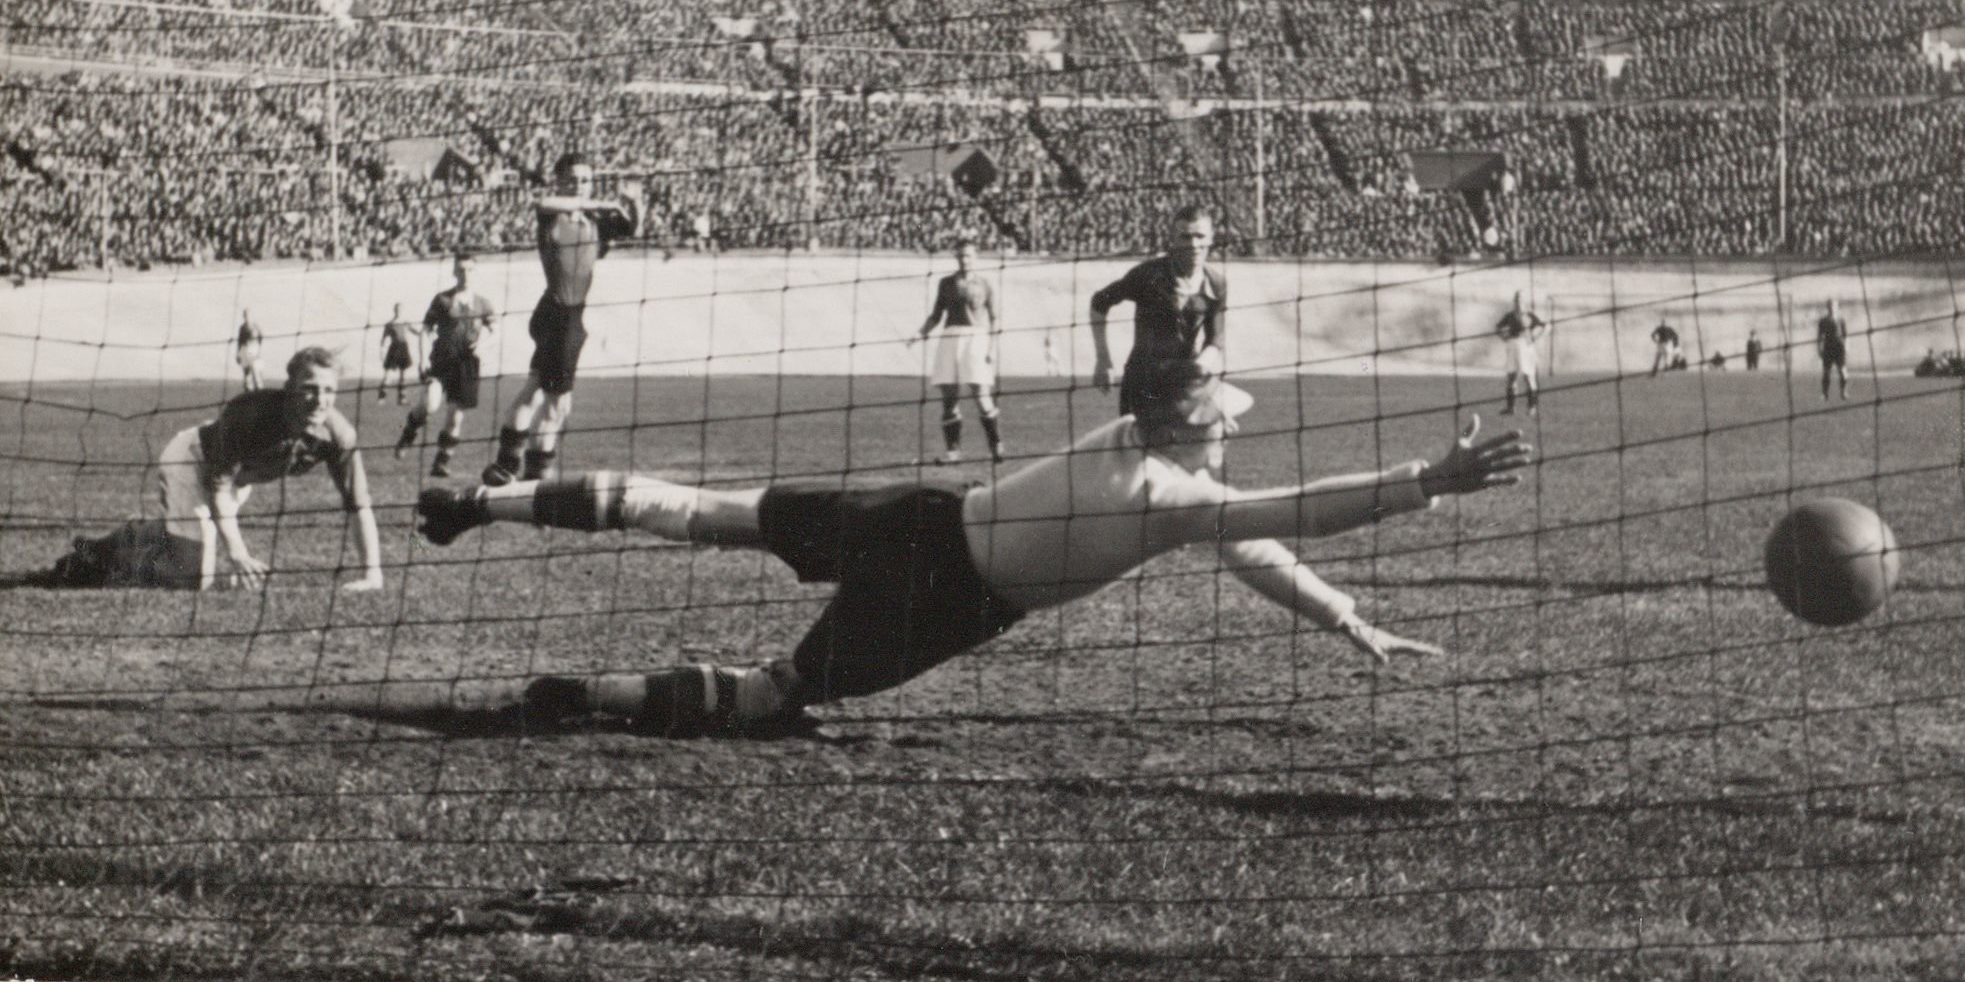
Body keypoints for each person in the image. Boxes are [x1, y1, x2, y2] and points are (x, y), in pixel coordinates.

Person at [412, 361, 1532, 737]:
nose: (1232, 420)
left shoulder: (1135, 446)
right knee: (775, 695)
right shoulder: (1171, 493)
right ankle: (584, 695)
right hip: (948, 596)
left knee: (705, 509)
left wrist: (1347, 617)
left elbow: (1257, 539)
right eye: (1219, 407)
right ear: (1175, 416)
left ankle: (485, 501)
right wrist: (1420, 482)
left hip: (922, 513)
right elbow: (1292, 513)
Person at [30, 348, 384, 592]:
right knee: (193, 578)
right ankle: (109, 549)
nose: (319, 400)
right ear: (289, 389)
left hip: (235, 480)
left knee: (193, 568)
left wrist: (372, 574)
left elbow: (359, 504)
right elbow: (216, 487)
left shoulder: (338, 434)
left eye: (328, 390)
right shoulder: (250, 414)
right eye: (309, 389)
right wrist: (238, 552)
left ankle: (151, 532)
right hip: (192, 460)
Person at [484, 152, 641, 485]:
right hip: (561, 316)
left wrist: (634, 202)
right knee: (558, 404)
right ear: (559, 181)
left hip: (558, 314)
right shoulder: (553, 213)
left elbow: (632, 228)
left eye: (585, 180)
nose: (579, 186)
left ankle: (505, 465)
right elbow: (543, 201)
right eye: (572, 179)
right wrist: (605, 202)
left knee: (535, 390)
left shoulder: (594, 220)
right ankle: (531, 480)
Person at [1090, 204, 1225, 416]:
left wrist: (1199, 366)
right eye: (1185, 237)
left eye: (1200, 236)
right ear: (1172, 239)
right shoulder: (1148, 275)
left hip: (1185, 385)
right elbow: (1099, 303)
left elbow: (1216, 339)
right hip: (1143, 383)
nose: (1194, 244)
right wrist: (1102, 358)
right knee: (1140, 448)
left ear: (1211, 238)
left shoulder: (1216, 283)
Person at [396, 254, 496, 478]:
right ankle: (409, 431)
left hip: (468, 365)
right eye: (461, 270)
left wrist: (484, 344)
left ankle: (440, 463)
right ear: (454, 272)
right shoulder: (442, 300)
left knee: (455, 417)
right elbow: (425, 330)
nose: (465, 274)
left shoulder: (483, 303)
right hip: (442, 362)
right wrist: (422, 359)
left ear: (475, 272)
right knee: (430, 405)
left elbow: (494, 331)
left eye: (470, 270)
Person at [907, 240, 1002, 465]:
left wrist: (992, 347)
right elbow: (936, 316)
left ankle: (996, 446)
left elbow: (995, 318)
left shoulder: (986, 284)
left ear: (975, 257)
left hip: (976, 339)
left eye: (968, 255)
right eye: (960, 256)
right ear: (956, 258)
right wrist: (919, 334)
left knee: (981, 395)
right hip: (950, 339)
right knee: (949, 399)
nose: (964, 260)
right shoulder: (946, 283)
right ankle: (953, 453)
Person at [1494, 291, 1545, 415]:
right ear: (1514, 301)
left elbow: (1544, 326)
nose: (1518, 301)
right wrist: (1504, 337)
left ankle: (1532, 407)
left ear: (1524, 301)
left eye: (1520, 299)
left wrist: (1535, 338)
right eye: (1516, 299)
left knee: (1528, 376)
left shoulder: (1529, 315)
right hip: (1512, 346)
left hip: (1526, 347)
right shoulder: (1510, 316)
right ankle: (1510, 408)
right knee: (1511, 377)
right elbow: (1498, 328)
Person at [378, 304, 419, 404]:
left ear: (402, 310)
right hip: (394, 348)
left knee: (403, 374)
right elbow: (383, 339)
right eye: (397, 309)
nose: (398, 311)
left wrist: (425, 334)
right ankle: (382, 397)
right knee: (388, 375)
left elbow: (416, 332)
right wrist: (382, 352)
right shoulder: (389, 324)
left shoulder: (405, 322)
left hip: (404, 348)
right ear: (394, 310)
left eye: (400, 309)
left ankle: (402, 399)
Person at [1817, 299, 1849, 401]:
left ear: (1837, 307)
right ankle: (1824, 393)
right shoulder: (1823, 320)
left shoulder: (1841, 319)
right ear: (1828, 307)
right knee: (1826, 372)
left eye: (1834, 306)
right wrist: (1819, 348)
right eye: (1830, 306)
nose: (1832, 308)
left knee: (1843, 372)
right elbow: (1820, 336)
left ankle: (1843, 392)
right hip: (1828, 348)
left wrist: (1847, 346)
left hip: (1839, 348)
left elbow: (1846, 335)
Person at [235, 310, 264, 391]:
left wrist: (258, 349)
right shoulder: (242, 328)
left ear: (251, 316)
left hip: (253, 349)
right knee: (247, 375)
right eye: (245, 315)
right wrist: (238, 354)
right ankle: (248, 394)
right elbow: (239, 341)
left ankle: (259, 393)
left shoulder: (256, 326)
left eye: (248, 315)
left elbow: (261, 337)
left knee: (256, 372)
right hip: (244, 350)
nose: (246, 317)